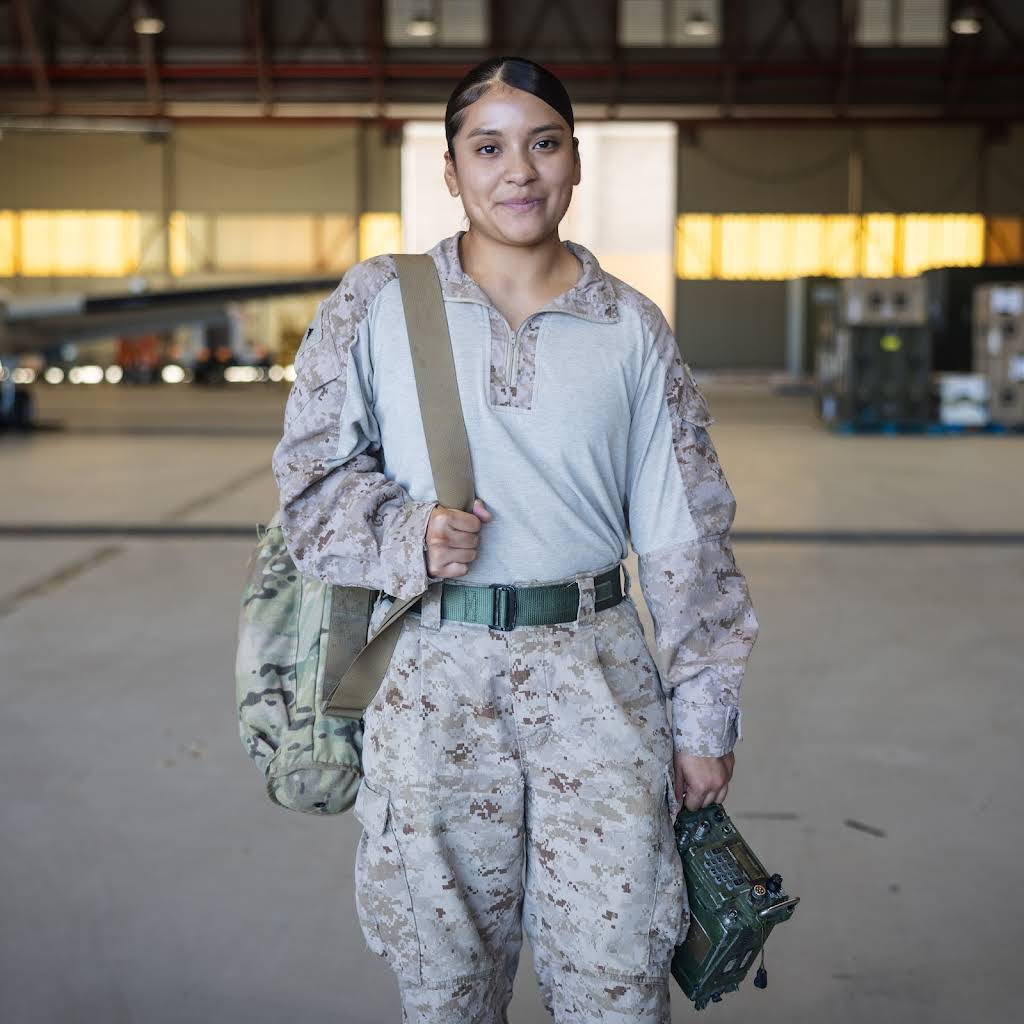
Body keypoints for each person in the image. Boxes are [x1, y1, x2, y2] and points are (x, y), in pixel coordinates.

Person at [271, 55, 759, 1024]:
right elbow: (308, 492)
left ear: (574, 160)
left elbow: (686, 538)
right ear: (451, 171)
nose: (519, 171)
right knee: (446, 987)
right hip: (430, 682)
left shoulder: (629, 327)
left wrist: (704, 721)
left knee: (618, 984)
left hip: (598, 680)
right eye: (487, 148)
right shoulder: (377, 302)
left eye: (543, 144)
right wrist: (407, 533)